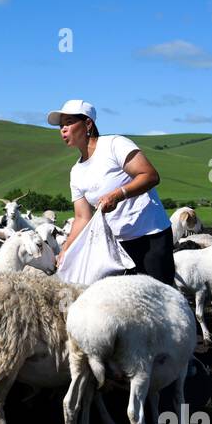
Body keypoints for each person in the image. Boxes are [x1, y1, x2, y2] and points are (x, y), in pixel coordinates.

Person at [50, 99, 175, 285]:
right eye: (61, 126)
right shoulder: (76, 172)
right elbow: (82, 217)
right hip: (115, 246)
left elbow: (149, 175)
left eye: (69, 123)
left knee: (160, 299)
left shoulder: (114, 145)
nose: (63, 130)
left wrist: (118, 194)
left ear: (87, 124)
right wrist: (66, 249)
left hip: (150, 236)